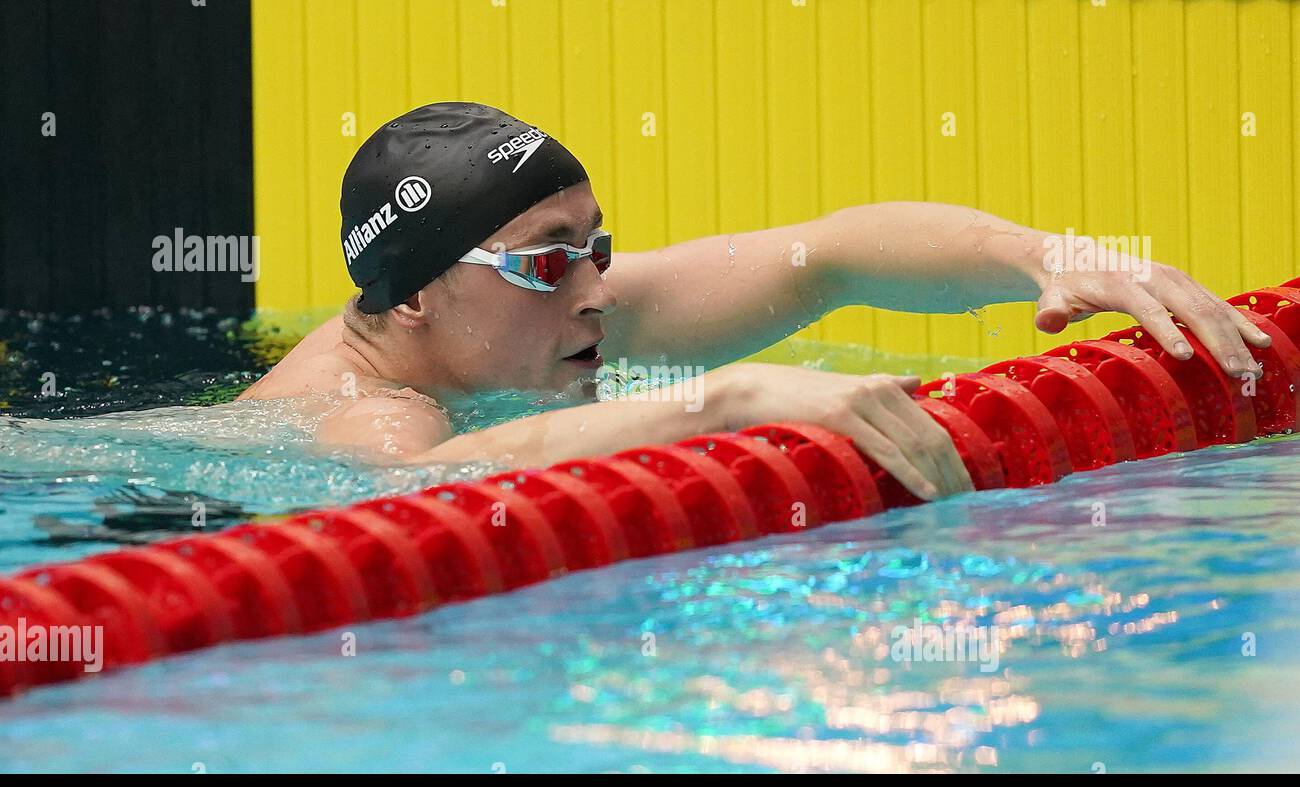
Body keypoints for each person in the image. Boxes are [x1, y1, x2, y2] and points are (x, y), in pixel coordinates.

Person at [239, 102, 1270, 501]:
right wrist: (720, 402)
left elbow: (823, 255)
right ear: (415, 295)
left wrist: (1044, 254)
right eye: (549, 262)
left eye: (596, 246)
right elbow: (419, 481)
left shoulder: (528, 323)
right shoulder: (370, 408)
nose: (598, 289)